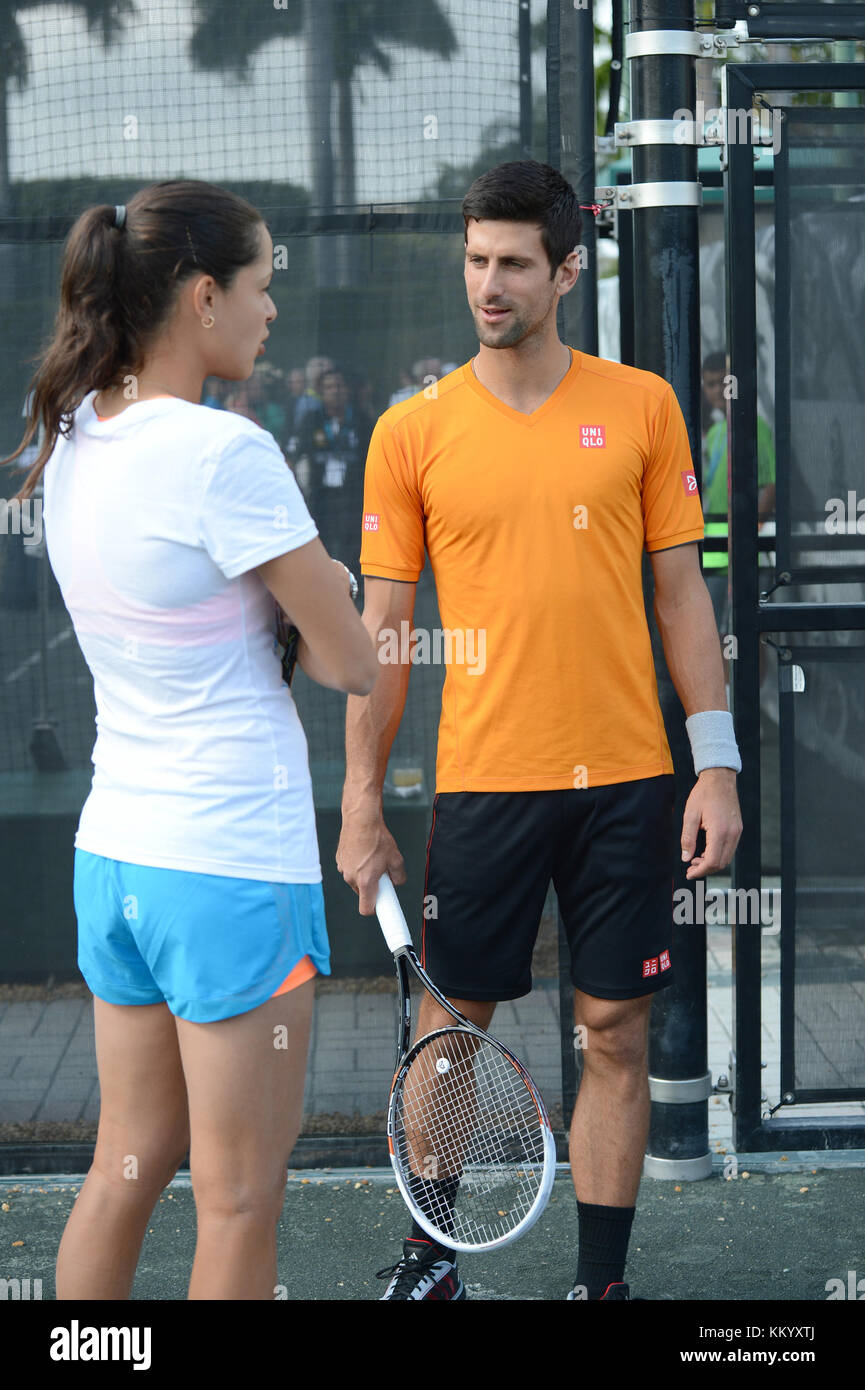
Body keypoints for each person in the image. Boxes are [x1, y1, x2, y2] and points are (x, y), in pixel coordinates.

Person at [337, 159, 743, 1301]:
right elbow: (382, 634)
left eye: (515, 261)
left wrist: (713, 764)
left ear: (568, 269)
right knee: (447, 1033)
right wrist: (363, 799)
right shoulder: (410, 431)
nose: (489, 283)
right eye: (475, 259)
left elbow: (681, 598)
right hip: (484, 781)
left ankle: (599, 1285)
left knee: (612, 1031)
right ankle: (430, 1263)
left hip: (627, 782)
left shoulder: (643, 407)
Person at [0, 179, 378, 1301]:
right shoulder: (227, 454)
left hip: (116, 865)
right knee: (239, 1197)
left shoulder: (68, 435)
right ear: (204, 294)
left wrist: (299, 609)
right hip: (225, 870)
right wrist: (334, 594)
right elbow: (350, 659)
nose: (271, 312)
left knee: (124, 1165)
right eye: (261, 287)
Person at [700, 351, 776, 633]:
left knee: (744, 635)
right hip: (714, 551)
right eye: (710, 384)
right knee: (715, 633)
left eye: (723, 381)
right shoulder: (717, 431)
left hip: (739, 554)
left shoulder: (756, 427)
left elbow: (771, 485)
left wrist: (747, 533)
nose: (718, 389)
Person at [294, 367, 372, 576]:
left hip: (353, 497)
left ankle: (355, 589)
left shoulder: (362, 419)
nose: (335, 391)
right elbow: (297, 453)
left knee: (353, 545)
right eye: (329, 387)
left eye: (339, 386)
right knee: (324, 544)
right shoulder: (311, 419)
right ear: (321, 391)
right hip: (321, 495)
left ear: (347, 389)